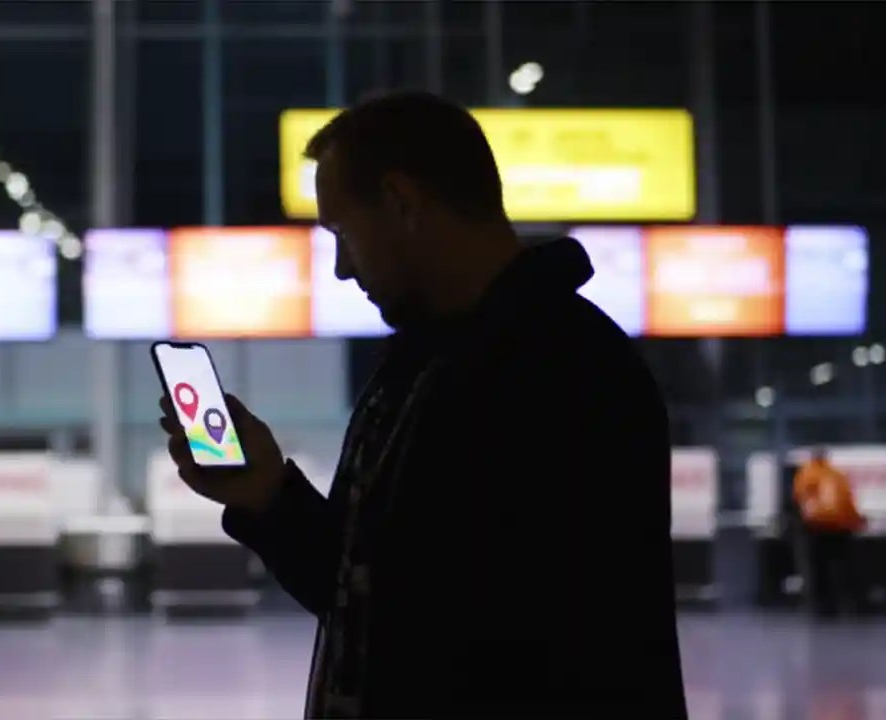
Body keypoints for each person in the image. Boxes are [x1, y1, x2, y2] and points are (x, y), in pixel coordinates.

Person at [157, 91, 686, 718]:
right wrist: (270, 495)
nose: (341, 269)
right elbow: (365, 591)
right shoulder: (416, 368)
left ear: (403, 203)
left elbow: (529, 645)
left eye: (342, 233)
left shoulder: (568, 369)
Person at [793, 447, 867, 618]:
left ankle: (823, 606)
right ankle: (850, 603)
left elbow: (799, 499)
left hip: (816, 528)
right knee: (843, 567)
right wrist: (857, 522)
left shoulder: (805, 474)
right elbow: (847, 501)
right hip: (840, 528)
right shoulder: (836, 475)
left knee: (818, 569)